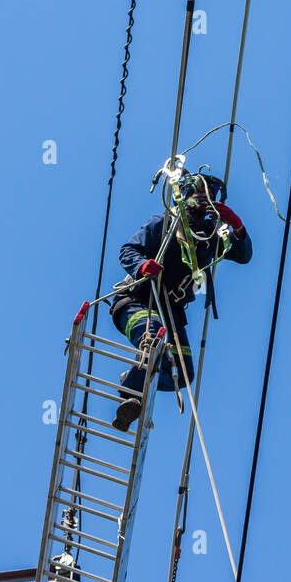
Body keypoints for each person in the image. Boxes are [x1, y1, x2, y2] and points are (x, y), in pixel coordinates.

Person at [107, 174, 251, 431]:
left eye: (209, 197)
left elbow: (243, 255)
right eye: (199, 195)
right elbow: (128, 250)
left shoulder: (208, 238)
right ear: (185, 195)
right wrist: (142, 266)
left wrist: (237, 228)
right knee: (155, 338)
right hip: (136, 299)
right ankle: (131, 391)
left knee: (184, 373)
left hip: (170, 312)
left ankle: (133, 387)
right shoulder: (166, 223)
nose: (204, 201)